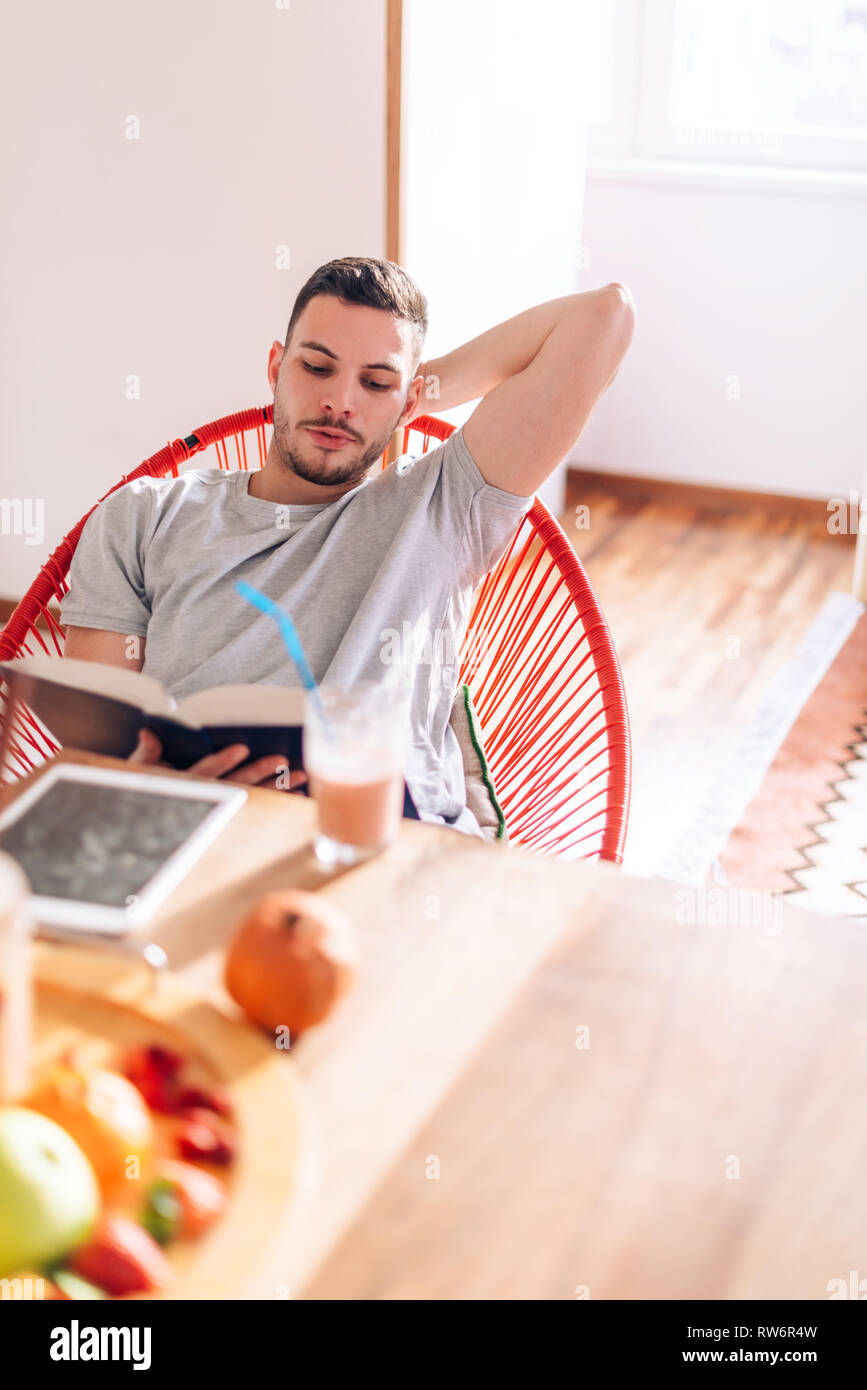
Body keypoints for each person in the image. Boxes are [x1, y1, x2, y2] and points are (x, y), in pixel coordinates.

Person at [60, 257, 634, 836]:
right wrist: (168, 791)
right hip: (182, 827)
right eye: (316, 367)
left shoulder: (442, 504)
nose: (340, 402)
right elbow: (100, 740)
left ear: (410, 400)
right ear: (276, 368)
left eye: (374, 382)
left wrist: (415, 388)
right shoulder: (143, 514)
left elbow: (605, 316)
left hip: (385, 841)